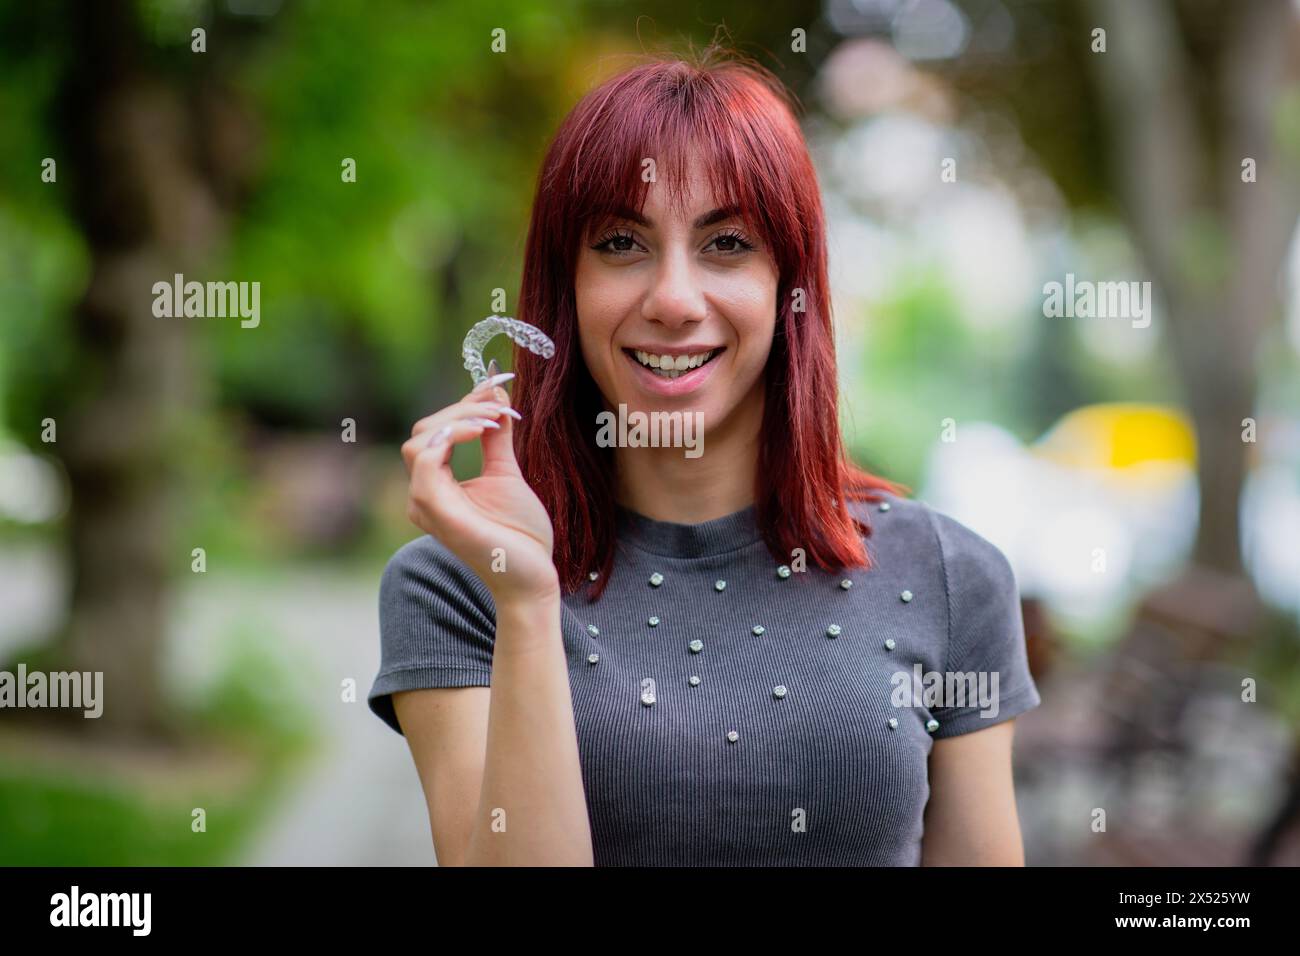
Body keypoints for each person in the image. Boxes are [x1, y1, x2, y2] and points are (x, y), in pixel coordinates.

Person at [368, 48, 1041, 866]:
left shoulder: (947, 574)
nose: (675, 301)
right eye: (621, 242)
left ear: (790, 287)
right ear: (565, 286)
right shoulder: (457, 586)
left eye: (726, 243)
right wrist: (528, 601)